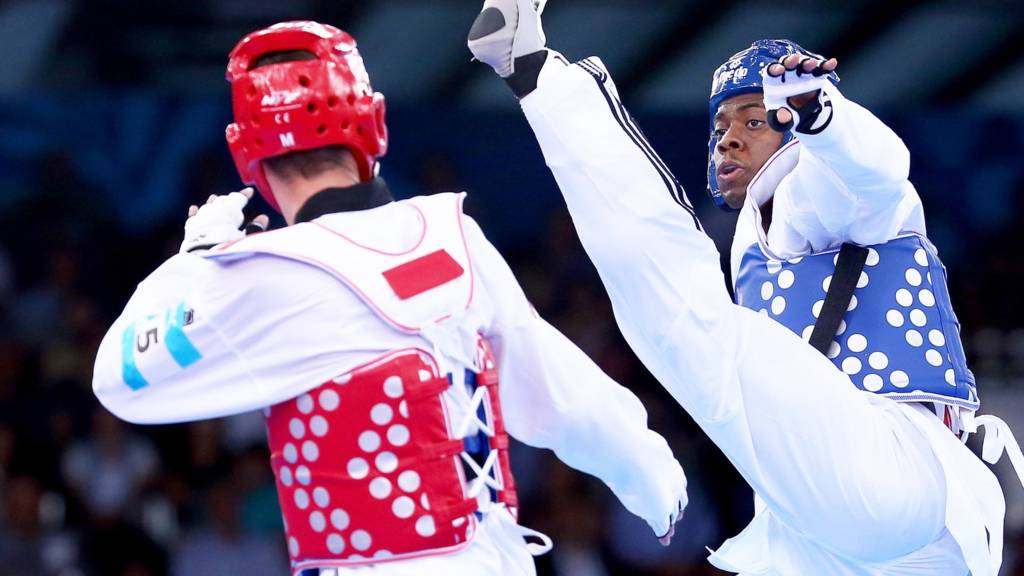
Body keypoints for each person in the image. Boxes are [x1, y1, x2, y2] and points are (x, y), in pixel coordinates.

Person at [92, 20, 687, 576]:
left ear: (247, 152)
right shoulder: (453, 236)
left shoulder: (257, 279)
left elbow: (121, 380)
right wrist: (652, 479)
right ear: (372, 122)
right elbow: (563, 395)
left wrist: (193, 260)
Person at [468, 1, 1024, 574]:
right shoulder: (751, 241)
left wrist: (823, 115)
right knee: (688, 329)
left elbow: (878, 167)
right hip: (862, 540)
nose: (728, 139)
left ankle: (535, 72)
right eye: (721, 126)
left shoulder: (823, 186)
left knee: (686, 320)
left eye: (754, 120)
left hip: (894, 470)